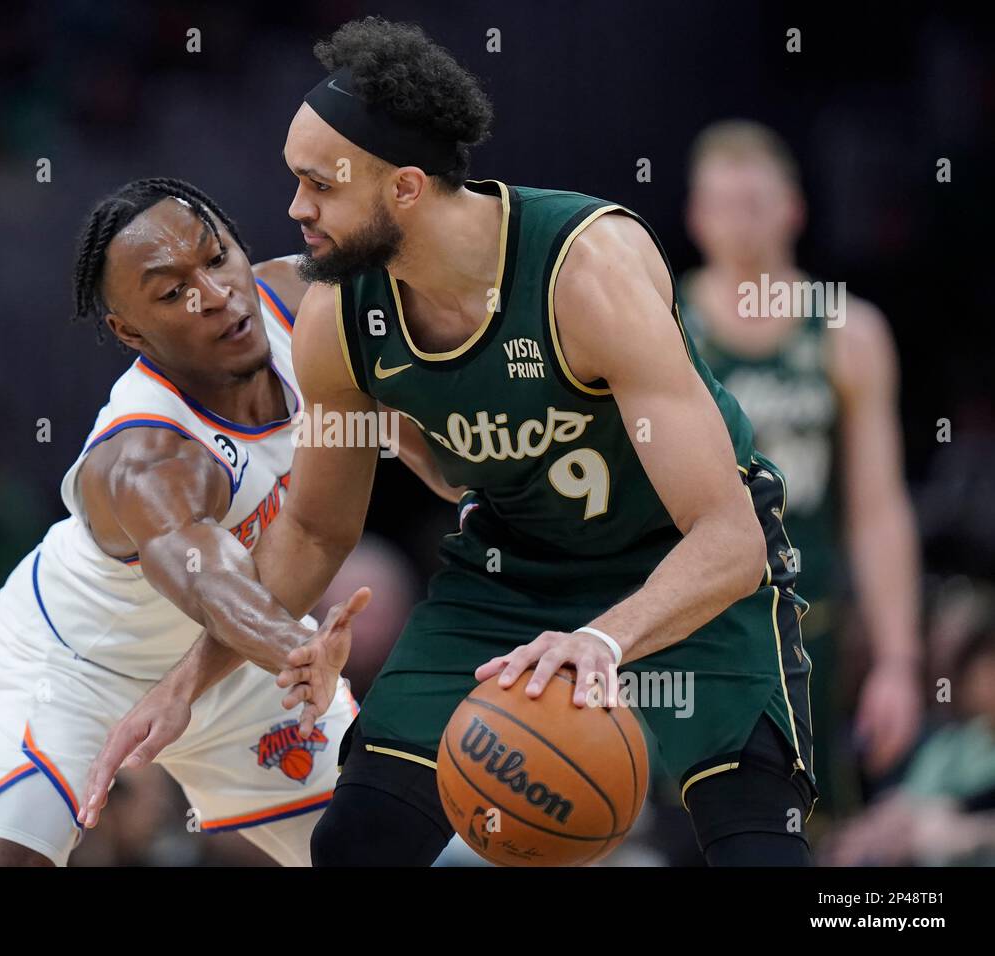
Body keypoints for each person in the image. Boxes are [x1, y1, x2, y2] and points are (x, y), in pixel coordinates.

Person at [84, 18, 817, 867]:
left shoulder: (587, 271)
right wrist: (185, 684)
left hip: (684, 569)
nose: (295, 209)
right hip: (513, 573)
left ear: (402, 188)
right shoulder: (337, 316)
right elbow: (318, 532)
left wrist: (603, 640)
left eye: (319, 185)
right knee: (357, 843)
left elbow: (730, 537)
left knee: (763, 851)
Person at [0, 177, 455, 867]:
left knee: (369, 855)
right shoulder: (144, 458)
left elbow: (430, 432)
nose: (214, 294)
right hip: (82, 667)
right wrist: (293, 649)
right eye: (171, 291)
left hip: (237, 670)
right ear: (130, 331)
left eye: (216, 259)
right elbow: (209, 575)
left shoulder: (305, 304)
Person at [681, 121, 924, 817]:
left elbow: (879, 511)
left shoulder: (848, 331)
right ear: (696, 216)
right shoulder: (659, 325)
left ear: (793, 209)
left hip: (807, 635)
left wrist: (898, 664)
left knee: (807, 833)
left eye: (754, 204)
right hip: (687, 635)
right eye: (721, 205)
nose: (738, 223)